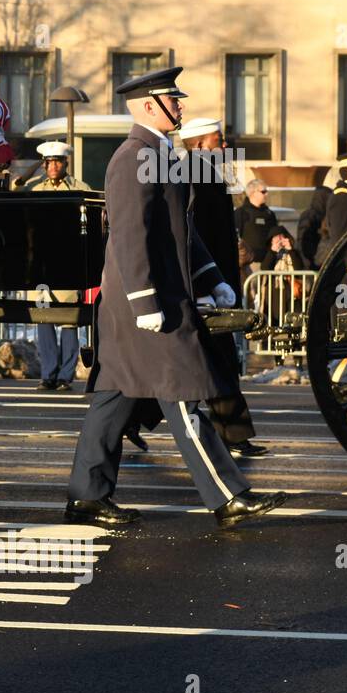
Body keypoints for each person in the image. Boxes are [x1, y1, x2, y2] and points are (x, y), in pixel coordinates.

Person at [64, 67, 284, 531]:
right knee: (184, 396)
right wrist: (145, 303)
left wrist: (213, 280)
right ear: (149, 107)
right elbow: (129, 238)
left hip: (148, 304)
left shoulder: (158, 154)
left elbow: (182, 234)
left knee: (112, 401)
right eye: (173, 100)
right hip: (147, 307)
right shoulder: (131, 157)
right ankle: (228, 496)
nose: (181, 106)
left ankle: (87, 497)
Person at [178, 118, 267, 458]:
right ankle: (128, 418)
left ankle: (234, 434)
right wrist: (206, 284)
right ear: (200, 146)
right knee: (204, 360)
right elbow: (194, 237)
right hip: (204, 287)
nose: (226, 147)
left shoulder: (209, 176)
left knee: (219, 360)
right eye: (219, 140)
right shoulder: (191, 178)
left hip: (217, 285)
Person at [25, 140, 84, 390]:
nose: (52, 166)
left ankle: (65, 376)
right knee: (42, 317)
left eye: (57, 162)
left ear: (66, 163)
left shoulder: (80, 188)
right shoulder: (34, 189)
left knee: (69, 319)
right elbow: (14, 188)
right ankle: (48, 374)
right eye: (48, 162)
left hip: (66, 262)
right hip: (39, 263)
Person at [234, 178, 276, 265]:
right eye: (263, 191)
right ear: (253, 192)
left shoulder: (269, 214)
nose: (266, 194)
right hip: (248, 263)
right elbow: (236, 238)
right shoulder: (241, 213)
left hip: (268, 263)